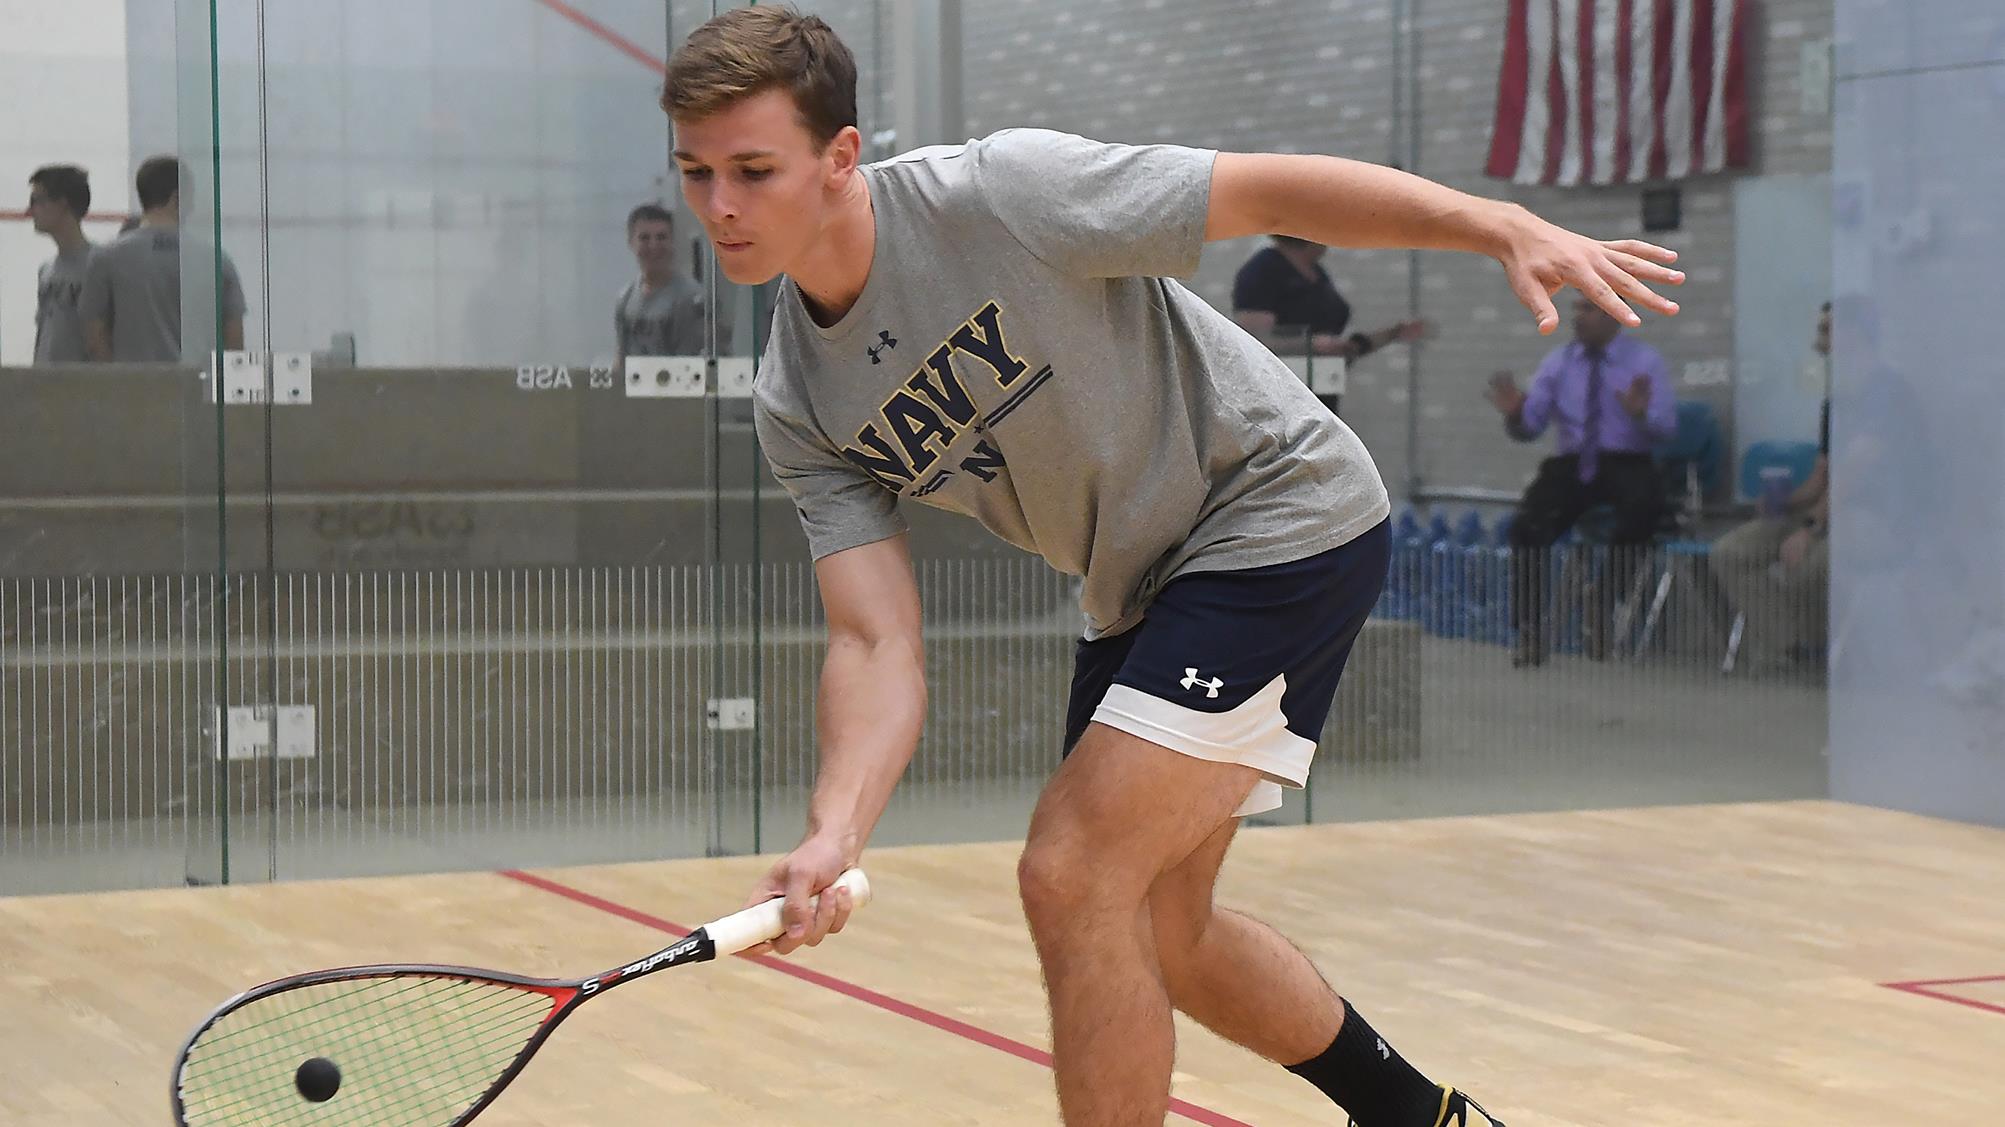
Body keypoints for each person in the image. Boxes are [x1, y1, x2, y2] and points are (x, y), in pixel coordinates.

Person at [662, 9, 1680, 1126]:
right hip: (1138, 588)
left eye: (752, 170)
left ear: (839, 155)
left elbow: (1262, 194)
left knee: (1070, 871)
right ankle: (1417, 1114)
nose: (719, 207)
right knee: (1161, 928)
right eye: (697, 172)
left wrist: (1489, 223)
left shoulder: (999, 194)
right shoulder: (797, 401)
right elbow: (874, 636)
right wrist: (833, 830)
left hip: (1277, 509)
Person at [1487, 297, 1677, 667]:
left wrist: (1640, 416)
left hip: (1626, 460)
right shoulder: (1558, 363)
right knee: (1527, 526)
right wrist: (1514, 416)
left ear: (1615, 316)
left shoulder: (1644, 362)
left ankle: (1602, 601)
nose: (1579, 319)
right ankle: (1529, 629)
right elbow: (1531, 427)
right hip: (1573, 463)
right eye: (1576, 311)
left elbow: (1666, 429)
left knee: (1646, 509)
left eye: (1590, 310)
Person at [1708, 303, 1832, 665]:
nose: (1818, 343)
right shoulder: (1833, 404)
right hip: (1823, 513)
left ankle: (1826, 650)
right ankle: (1792, 648)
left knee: (1810, 564)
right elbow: (1823, 477)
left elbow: (1854, 479)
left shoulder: (1880, 396)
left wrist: (1810, 527)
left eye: (1826, 331)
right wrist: (1787, 503)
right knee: (1731, 554)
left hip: (1867, 513)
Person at [78, 155, 246, 363]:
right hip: (195, 390)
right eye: (191, 197)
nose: (192, 206)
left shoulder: (106, 258)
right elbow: (234, 340)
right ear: (176, 198)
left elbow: (94, 338)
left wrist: (120, 385)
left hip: (133, 389)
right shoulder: (216, 260)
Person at [1231, 234, 1427, 411]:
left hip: (1322, 391)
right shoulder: (1263, 270)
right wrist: (1312, 344)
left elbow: (1337, 345)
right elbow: (1253, 341)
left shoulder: (1317, 273)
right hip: (1282, 399)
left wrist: (1392, 334)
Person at [614, 202, 712, 362]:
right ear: (631, 242)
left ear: (672, 241)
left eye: (661, 237)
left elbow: (691, 366)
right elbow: (620, 358)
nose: (653, 246)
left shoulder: (692, 299)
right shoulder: (625, 298)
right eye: (644, 238)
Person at [26, 164, 96, 364]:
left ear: (63, 204)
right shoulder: (45, 270)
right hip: (44, 388)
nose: (30, 210)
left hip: (84, 389)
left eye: (36, 200)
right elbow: (44, 335)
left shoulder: (101, 265)